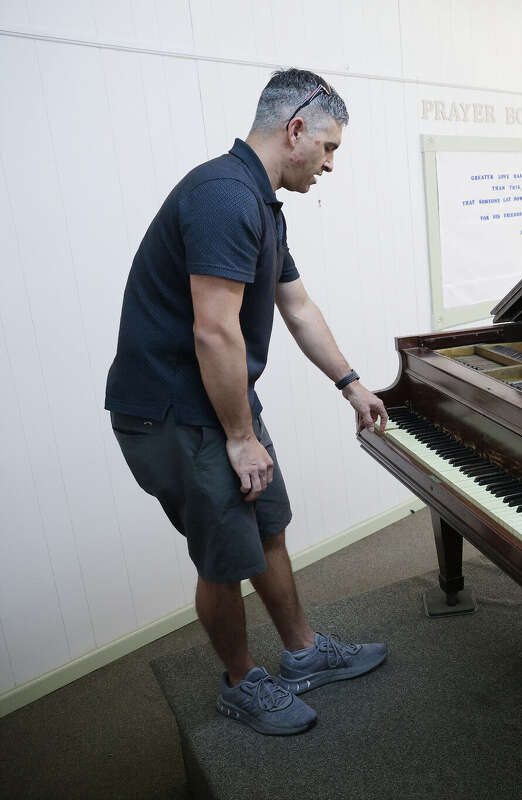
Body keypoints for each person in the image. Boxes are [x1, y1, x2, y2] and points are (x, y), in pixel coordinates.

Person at [105, 69, 389, 734]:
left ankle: (303, 654)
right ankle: (241, 683)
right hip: (176, 414)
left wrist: (351, 383)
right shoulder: (222, 197)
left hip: (219, 402)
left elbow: (298, 306)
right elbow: (214, 330)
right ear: (296, 129)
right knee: (223, 557)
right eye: (329, 147)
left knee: (267, 528)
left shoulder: (260, 203)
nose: (330, 163)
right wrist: (240, 437)